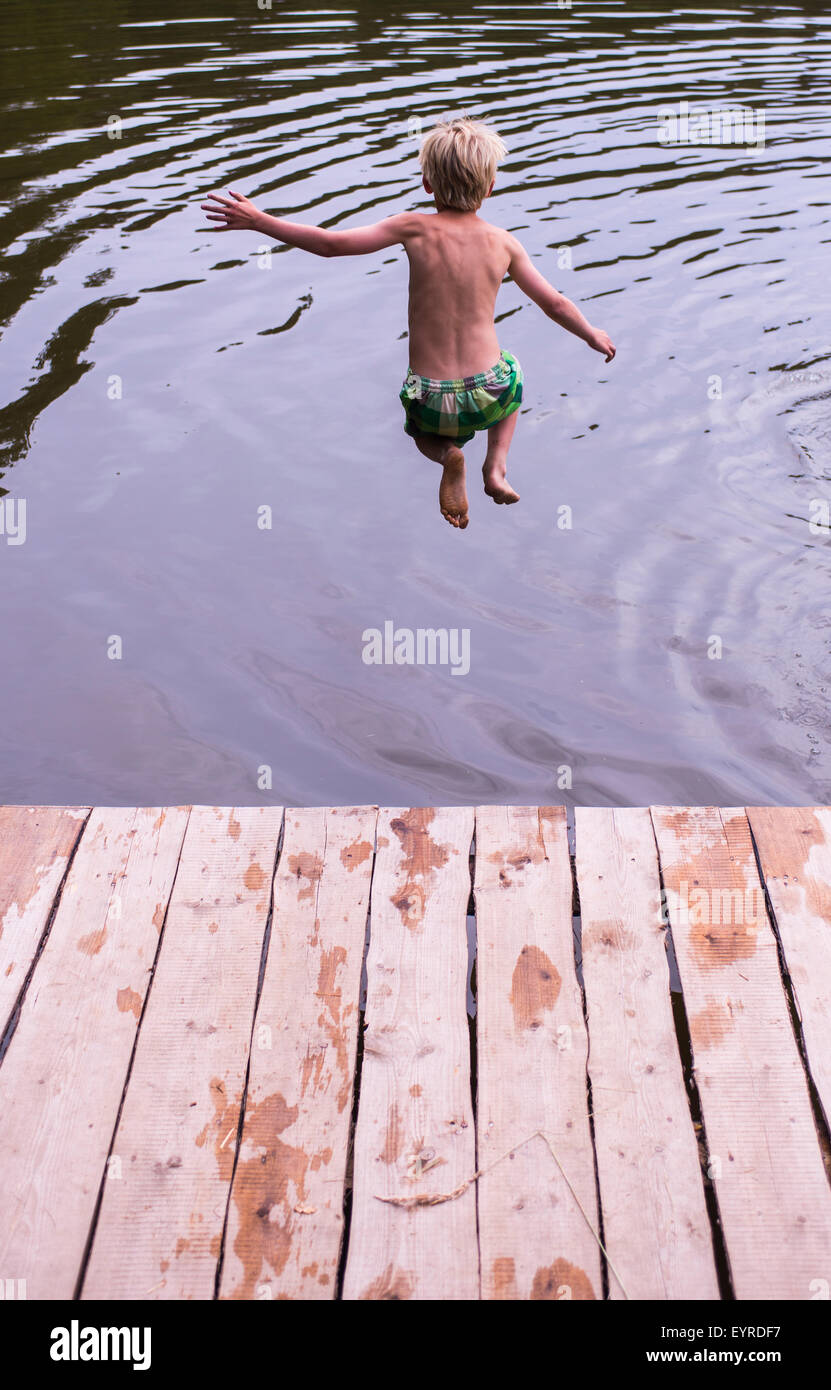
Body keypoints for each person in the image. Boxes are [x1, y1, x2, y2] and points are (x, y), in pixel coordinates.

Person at [202, 115, 616, 530]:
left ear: (427, 184)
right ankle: (496, 466)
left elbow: (330, 245)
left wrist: (260, 220)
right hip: (488, 392)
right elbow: (554, 304)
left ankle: (448, 456)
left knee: (421, 433)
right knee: (512, 371)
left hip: (430, 397)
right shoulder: (505, 243)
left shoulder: (412, 227)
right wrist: (590, 333)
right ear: (490, 187)